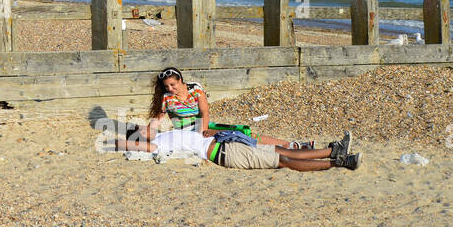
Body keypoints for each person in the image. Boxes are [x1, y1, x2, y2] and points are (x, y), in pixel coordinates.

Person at [144, 67, 309, 150]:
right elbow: (158, 119)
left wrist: (204, 130)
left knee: (245, 132)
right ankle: (290, 148)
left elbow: (204, 112)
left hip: (203, 126)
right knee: (238, 138)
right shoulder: (167, 98)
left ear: (180, 80)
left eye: (173, 84)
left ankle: (291, 145)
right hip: (186, 132)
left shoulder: (195, 89)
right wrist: (148, 134)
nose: (170, 89)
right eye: (167, 86)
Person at [118, 127, 359, 172]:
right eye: (141, 129)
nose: (146, 126)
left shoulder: (164, 133)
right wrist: (118, 138)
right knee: (283, 160)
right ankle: (338, 162)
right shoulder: (156, 145)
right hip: (226, 154)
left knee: (282, 150)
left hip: (228, 142)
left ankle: (333, 150)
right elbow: (123, 144)